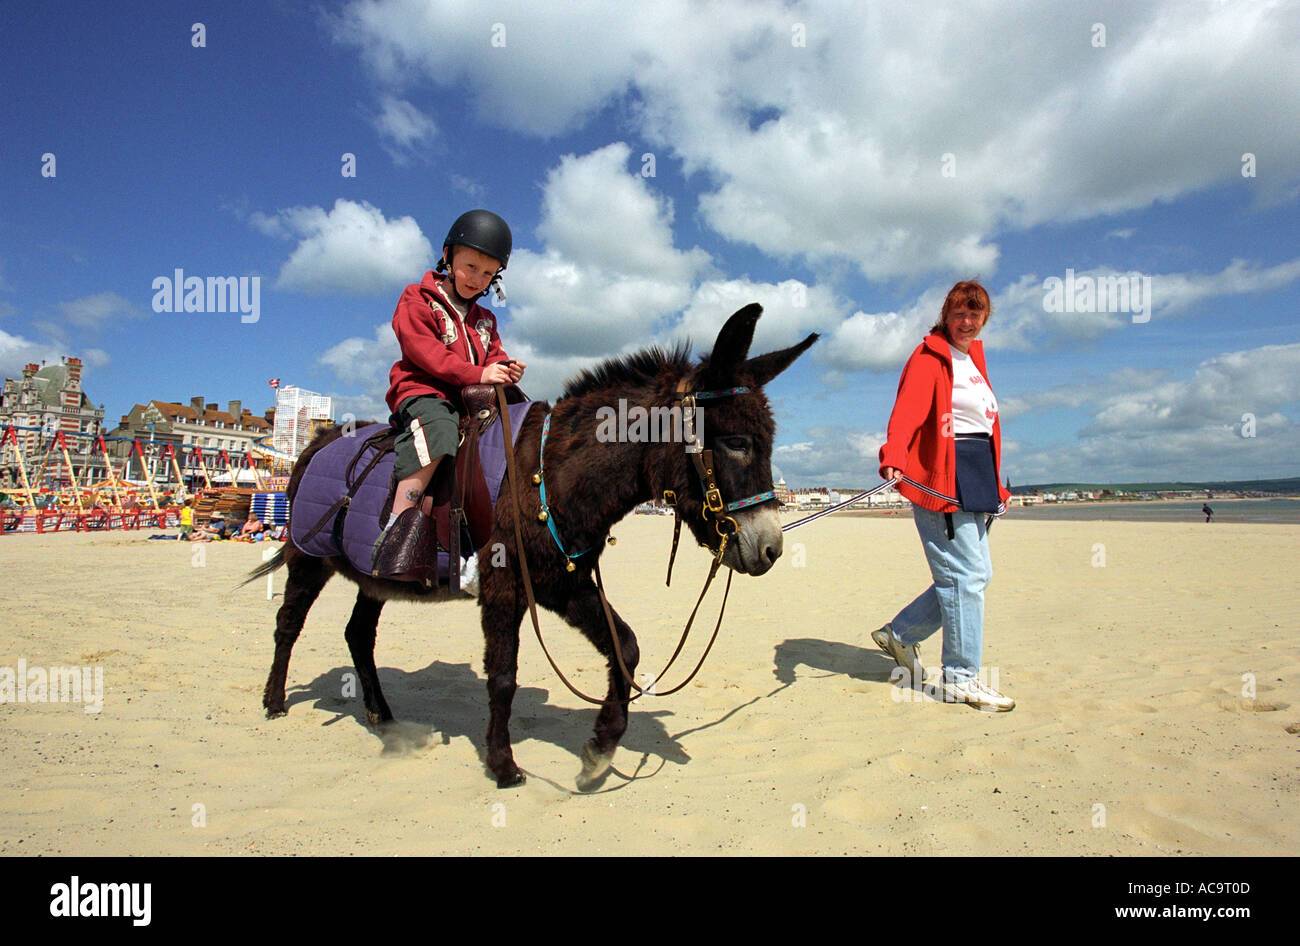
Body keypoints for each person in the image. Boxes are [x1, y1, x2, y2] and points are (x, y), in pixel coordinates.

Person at [872, 280, 1015, 712]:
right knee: (965, 579)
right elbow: (907, 412)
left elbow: (984, 429)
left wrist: (997, 486)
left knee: (973, 576)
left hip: (975, 476)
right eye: (959, 314)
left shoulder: (973, 361)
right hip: (938, 478)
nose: (966, 321)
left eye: (975, 314)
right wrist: (894, 455)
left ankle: (900, 634)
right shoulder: (928, 356)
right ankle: (961, 677)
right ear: (945, 315)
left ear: (984, 318)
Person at [372, 209, 526, 580]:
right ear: (448, 256)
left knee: (514, 427)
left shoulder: (486, 319)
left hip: (469, 399)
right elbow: (423, 350)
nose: (478, 279)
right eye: (471, 266)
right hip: (424, 391)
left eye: (488, 274)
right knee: (438, 427)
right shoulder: (416, 298)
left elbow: (494, 355)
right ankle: (397, 530)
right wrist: (478, 373)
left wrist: (505, 369)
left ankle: (483, 540)